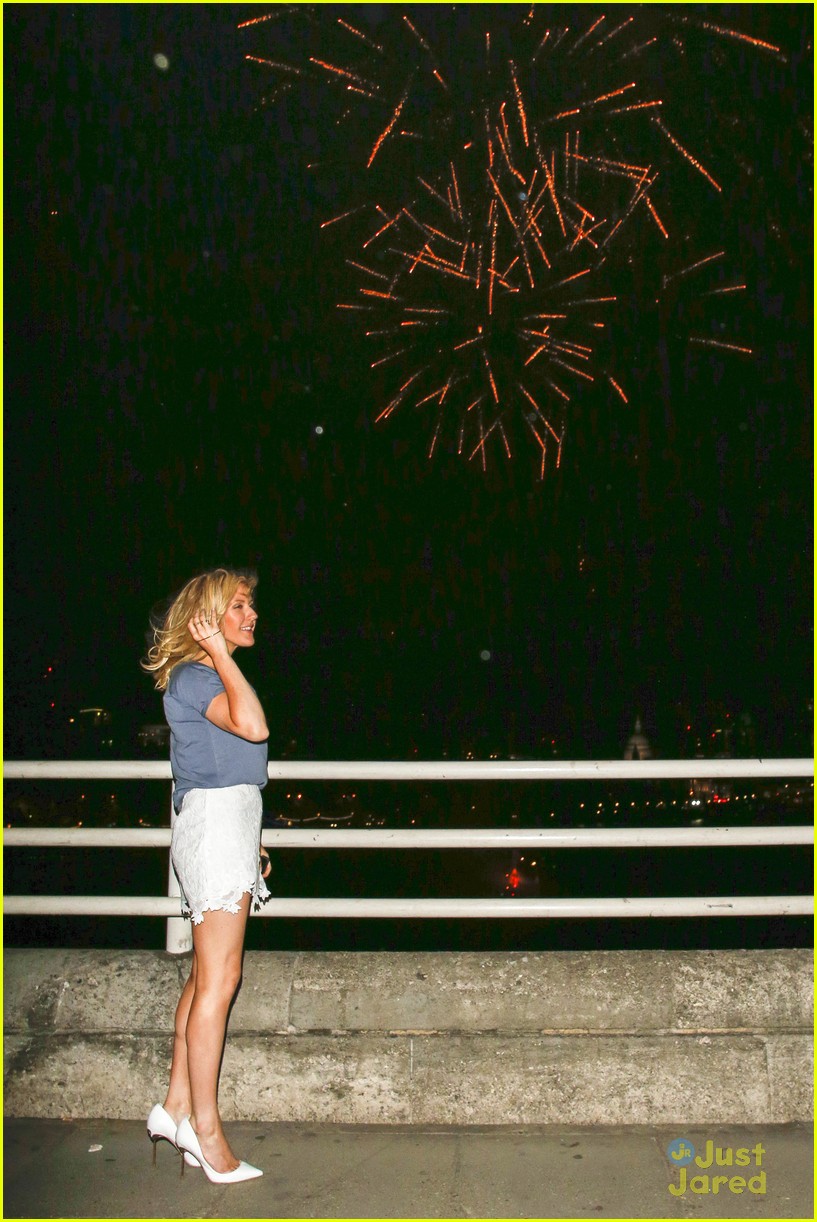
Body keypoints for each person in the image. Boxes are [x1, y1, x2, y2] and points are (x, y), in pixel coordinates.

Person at [141, 568, 271, 1184]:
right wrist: (220, 653)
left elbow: (231, 764)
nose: (252, 615)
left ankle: (173, 1108)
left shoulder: (202, 675)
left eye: (251, 604)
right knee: (221, 981)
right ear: (208, 615)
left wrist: (253, 842)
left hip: (227, 828)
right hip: (215, 830)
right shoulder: (198, 675)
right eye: (239, 605)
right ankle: (206, 1133)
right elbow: (254, 727)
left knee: (202, 980)